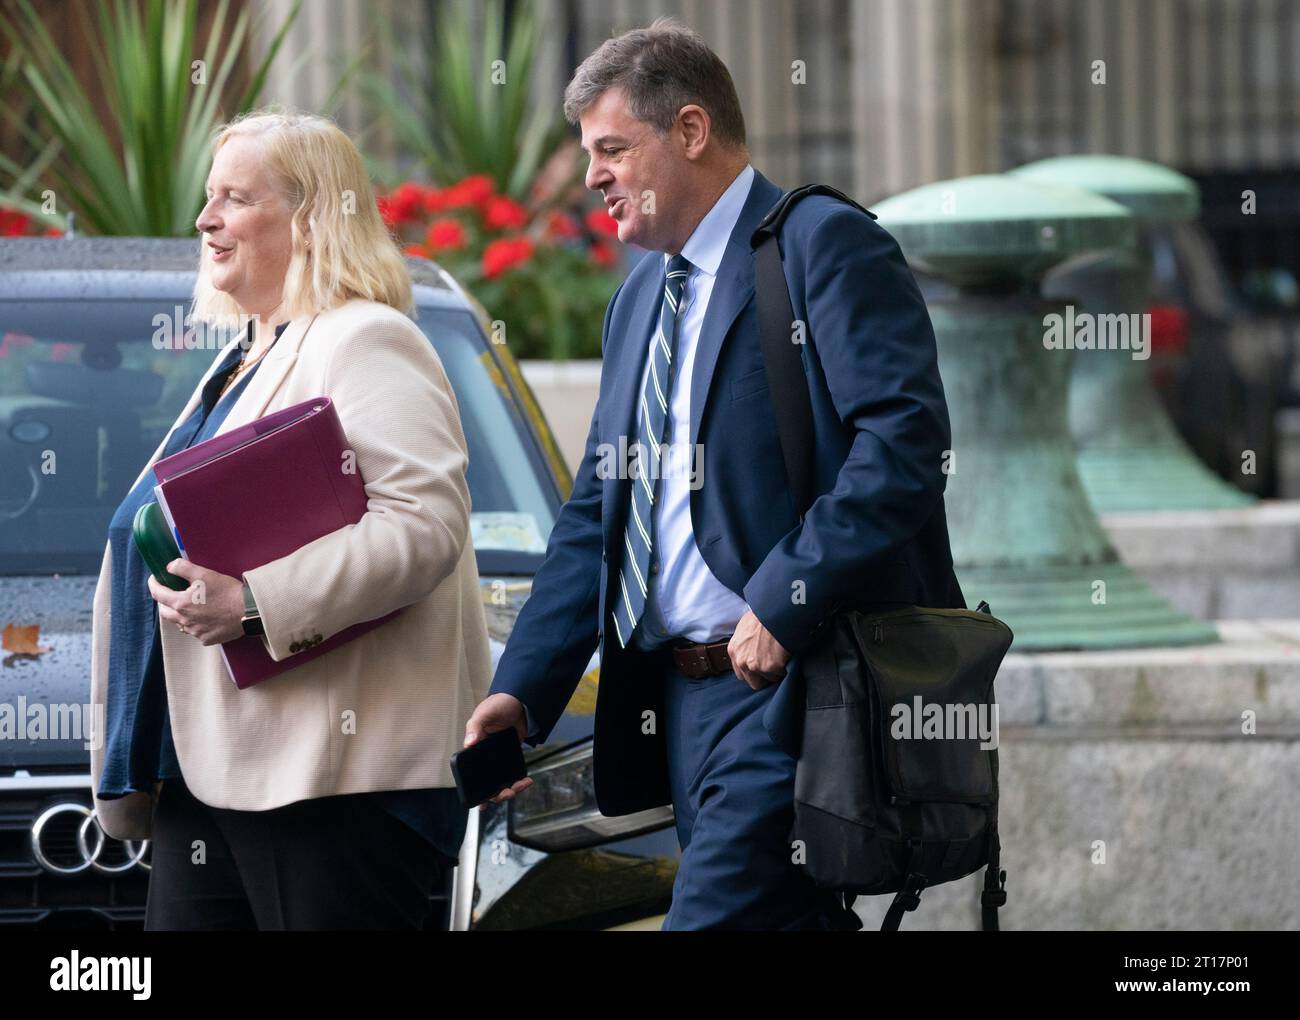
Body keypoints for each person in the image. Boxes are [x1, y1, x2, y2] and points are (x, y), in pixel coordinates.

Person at [464, 19, 965, 930]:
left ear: (690, 131)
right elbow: (595, 516)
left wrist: (784, 597)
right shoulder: (637, 301)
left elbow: (903, 444)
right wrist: (522, 687)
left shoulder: (823, 244)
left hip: (791, 690)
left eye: (612, 148)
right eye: (589, 154)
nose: (592, 178)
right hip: (677, 707)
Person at [88, 110, 492, 930]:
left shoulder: (366, 339)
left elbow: (424, 528)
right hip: (209, 776)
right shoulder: (245, 356)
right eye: (210, 198)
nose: (206, 220)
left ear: (312, 218)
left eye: (234, 199)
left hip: (330, 786)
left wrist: (256, 601)